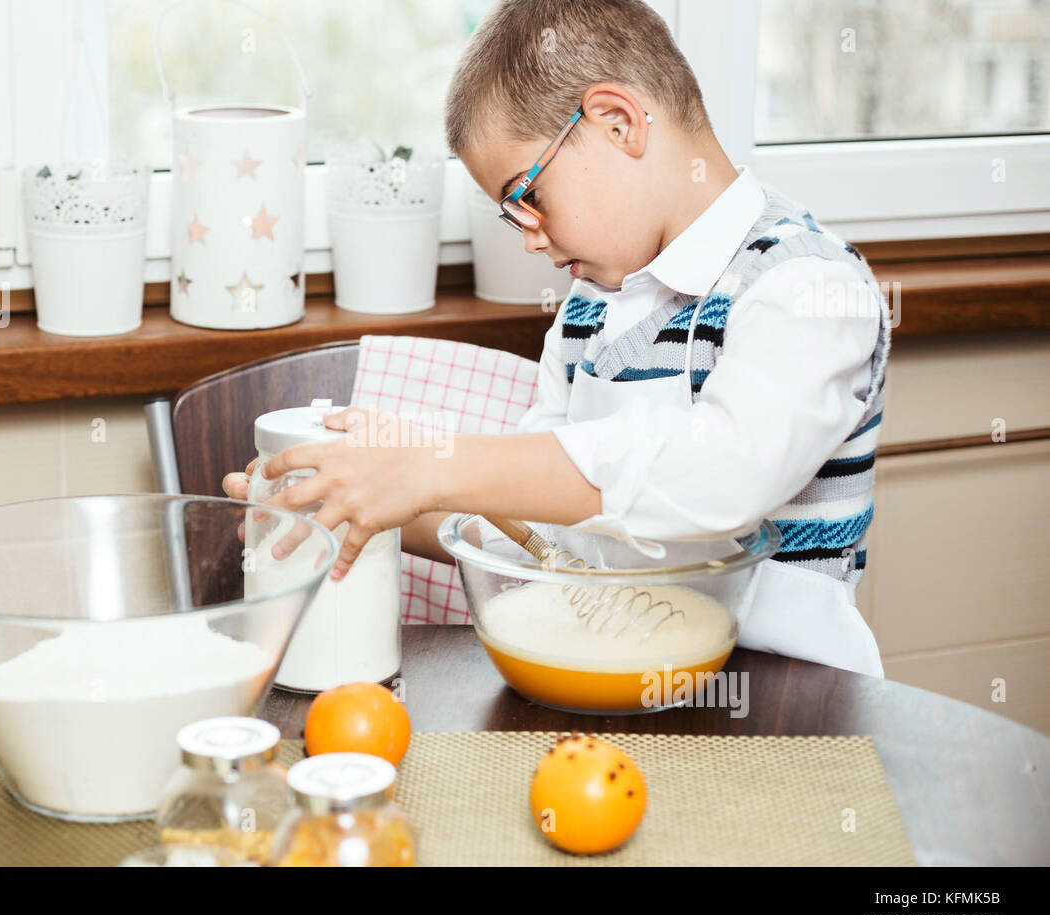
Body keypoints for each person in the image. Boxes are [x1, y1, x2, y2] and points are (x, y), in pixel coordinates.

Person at [223, 0, 891, 677]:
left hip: (790, 704)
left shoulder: (805, 284)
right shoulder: (588, 311)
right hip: (617, 677)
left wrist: (432, 465)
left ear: (617, 122)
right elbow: (543, 535)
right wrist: (353, 495)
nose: (530, 235)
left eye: (528, 195)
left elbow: (722, 472)